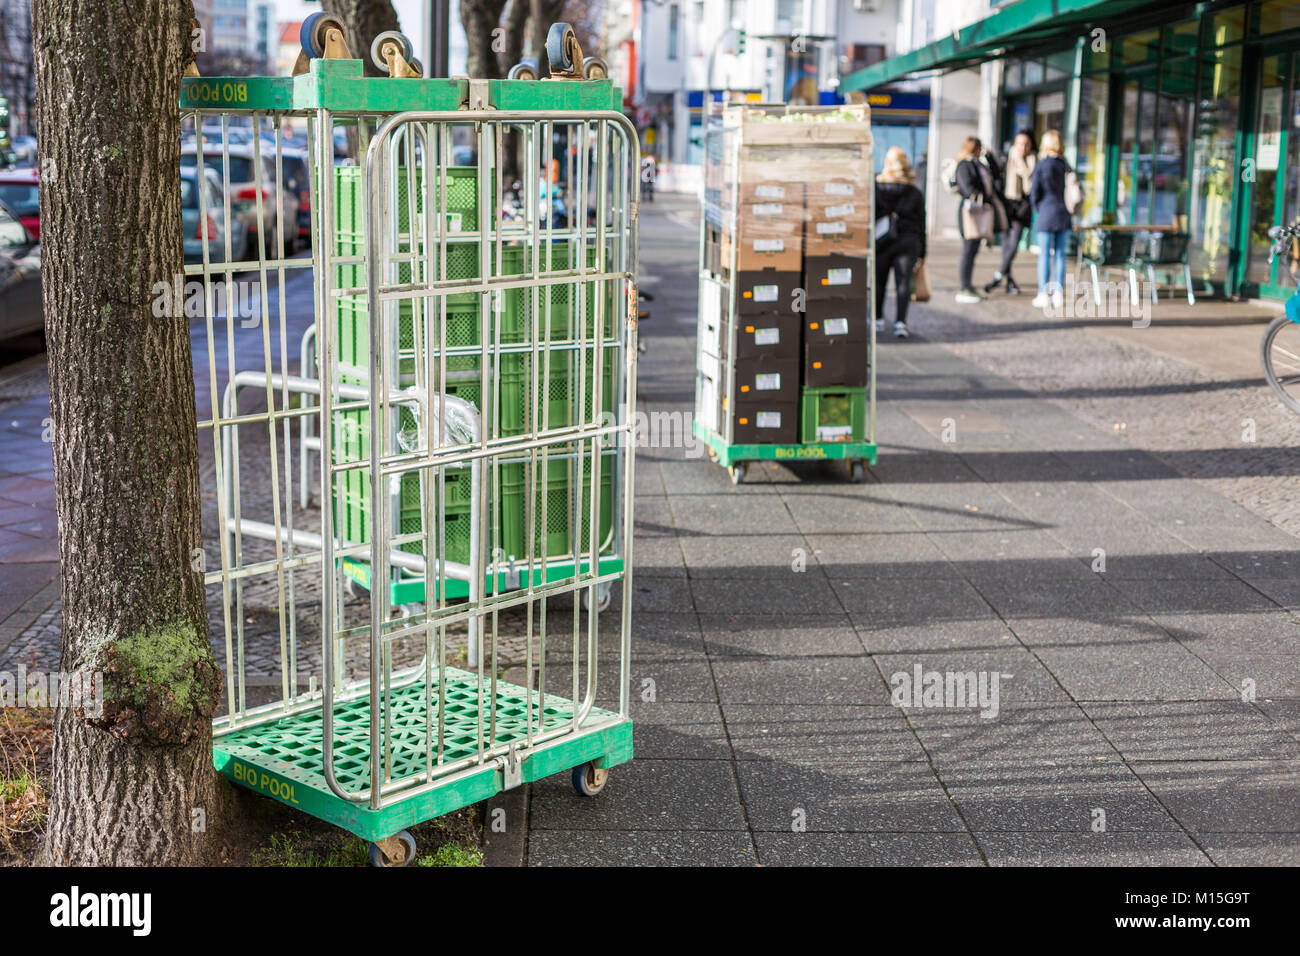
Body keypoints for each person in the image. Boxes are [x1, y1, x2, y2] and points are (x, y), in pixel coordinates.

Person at [874, 146, 926, 339]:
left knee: (880, 282)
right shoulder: (914, 191)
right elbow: (922, 224)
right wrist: (923, 253)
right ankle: (900, 323)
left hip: (882, 241)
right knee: (903, 283)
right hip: (908, 241)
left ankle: (878, 319)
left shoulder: (878, 187)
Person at [952, 136, 1006, 303]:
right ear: (973, 148)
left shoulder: (979, 163)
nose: (981, 151)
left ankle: (968, 285)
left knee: (973, 250)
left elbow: (997, 178)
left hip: (981, 211)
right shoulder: (964, 165)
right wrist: (982, 196)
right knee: (968, 250)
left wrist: (990, 158)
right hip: (970, 213)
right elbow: (967, 188)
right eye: (979, 148)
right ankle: (964, 287)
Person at [984, 130, 1036, 295]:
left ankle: (999, 276)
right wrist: (990, 158)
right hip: (1006, 207)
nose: (1023, 147)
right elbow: (997, 178)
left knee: (1013, 245)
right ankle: (1010, 281)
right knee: (1007, 246)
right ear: (1015, 143)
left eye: (1026, 144)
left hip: (1022, 208)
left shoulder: (1034, 161)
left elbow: (1033, 187)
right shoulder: (1007, 158)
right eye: (1020, 143)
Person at [1029, 129, 1073, 309]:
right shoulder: (1065, 165)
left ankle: (1043, 293)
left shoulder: (1042, 164)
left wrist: (1037, 208)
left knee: (1045, 255)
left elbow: (1034, 193)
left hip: (1047, 212)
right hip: (1064, 213)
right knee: (1060, 255)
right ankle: (1058, 293)